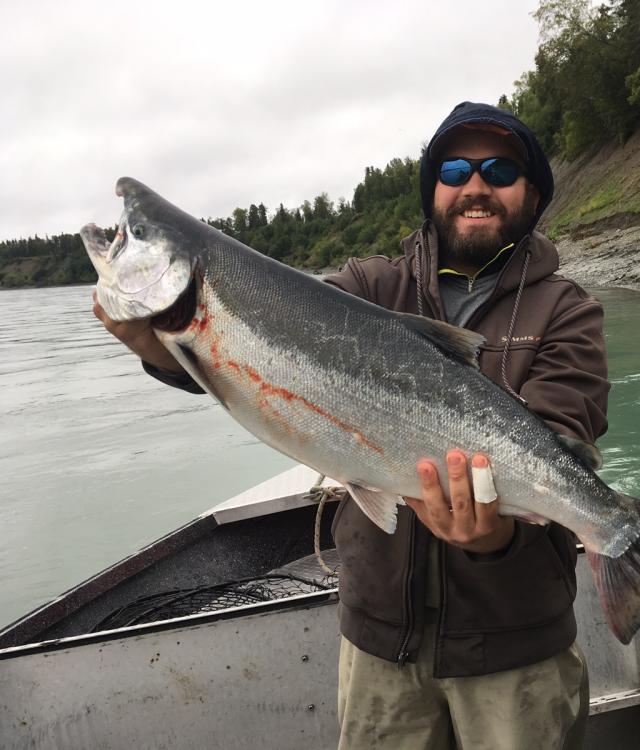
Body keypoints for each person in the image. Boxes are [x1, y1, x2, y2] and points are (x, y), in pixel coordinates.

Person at [94, 101, 610, 749]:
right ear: (432, 190)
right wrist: (165, 351)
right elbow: (258, 356)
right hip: (380, 644)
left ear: (532, 192)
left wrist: (496, 536)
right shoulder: (368, 285)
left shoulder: (566, 310)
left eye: (499, 170)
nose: (475, 185)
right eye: (454, 170)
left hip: (517, 646)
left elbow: (564, 432)